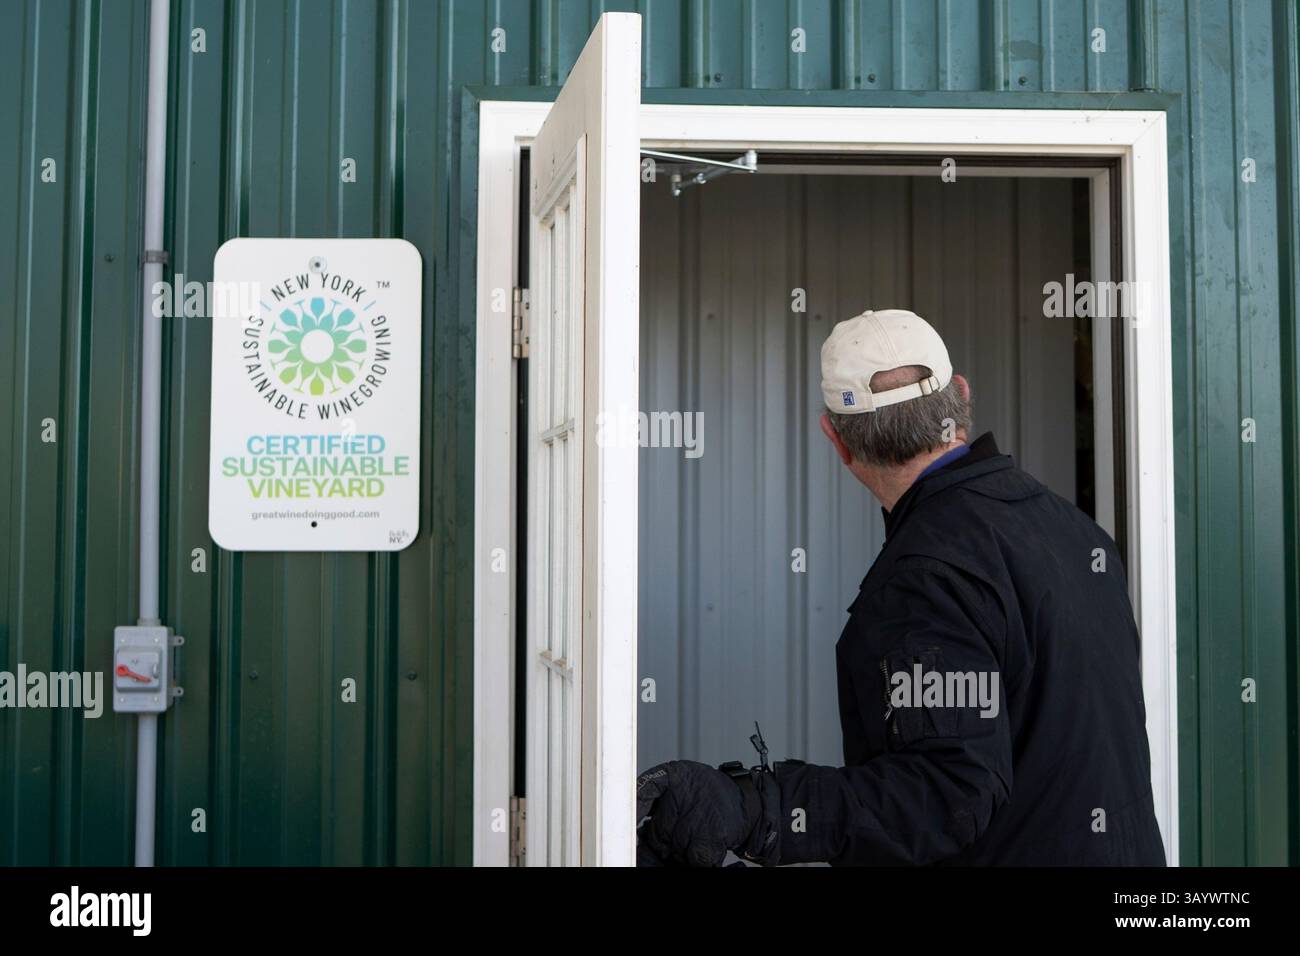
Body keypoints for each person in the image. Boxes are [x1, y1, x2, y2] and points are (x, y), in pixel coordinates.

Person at [635, 308, 1166, 867]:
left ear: (836, 439)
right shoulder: (1077, 532)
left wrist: (754, 808)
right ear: (960, 395)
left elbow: (948, 795)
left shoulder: (927, 577)